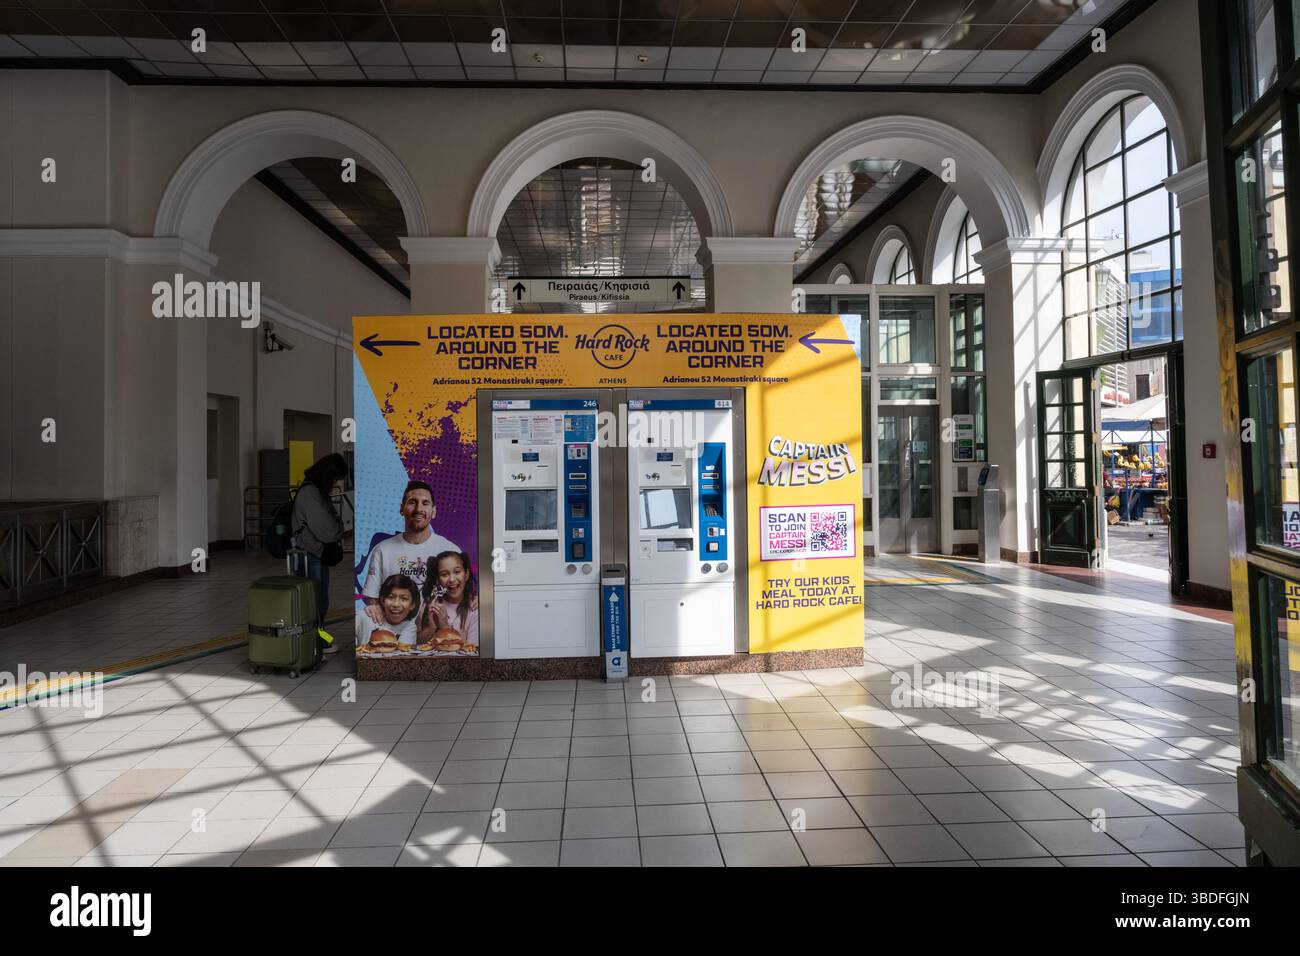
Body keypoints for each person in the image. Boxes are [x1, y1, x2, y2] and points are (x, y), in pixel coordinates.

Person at [361, 480, 459, 623]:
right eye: (412, 502)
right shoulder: (383, 550)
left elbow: (463, 595)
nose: (419, 509)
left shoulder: (450, 550)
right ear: (402, 508)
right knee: (363, 617)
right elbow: (372, 597)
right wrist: (373, 607)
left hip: (437, 629)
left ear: (434, 511)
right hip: (394, 629)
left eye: (425, 503)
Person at [291, 453, 347, 648]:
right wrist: (341, 528)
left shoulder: (314, 490)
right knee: (314, 600)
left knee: (319, 599)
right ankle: (314, 642)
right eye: (335, 479)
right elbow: (327, 530)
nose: (335, 484)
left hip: (314, 552)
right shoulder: (311, 494)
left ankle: (318, 638)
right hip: (309, 554)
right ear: (327, 475)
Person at [415, 551, 479, 655]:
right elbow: (418, 644)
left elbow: (472, 650)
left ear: (466, 575)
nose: (452, 579)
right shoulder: (430, 604)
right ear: (437, 580)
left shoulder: (474, 608)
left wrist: (444, 626)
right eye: (444, 574)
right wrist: (431, 627)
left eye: (457, 572)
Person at [355, 574, 420, 654]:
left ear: (412, 604)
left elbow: (401, 657)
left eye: (404, 599)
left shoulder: (410, 627)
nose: (396, 604)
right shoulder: (367, 616)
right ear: (382, 600)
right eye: (391, 597)